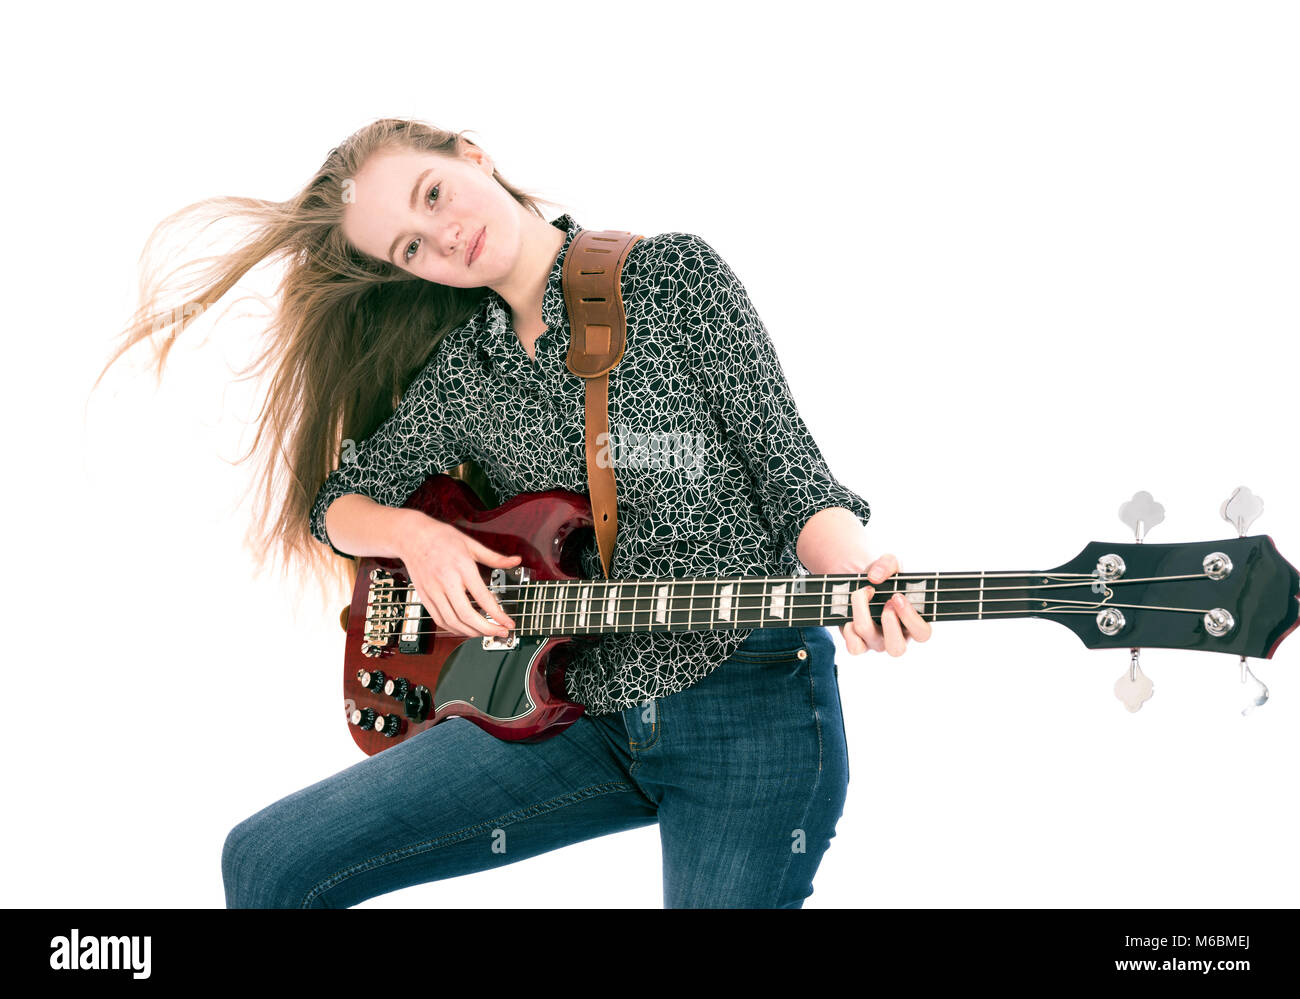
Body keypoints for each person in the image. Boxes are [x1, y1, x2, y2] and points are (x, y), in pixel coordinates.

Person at [99, 118, 932, 908]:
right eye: (411, 247)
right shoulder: (468, 370)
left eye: (432, 195)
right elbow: (334, 507)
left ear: (471, 154)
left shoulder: (674, 279)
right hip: (574, 705)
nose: (445, 236)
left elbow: (795, 483)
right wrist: (413, 536)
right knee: (267, 860)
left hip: (746, 704)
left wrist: (860, 576)